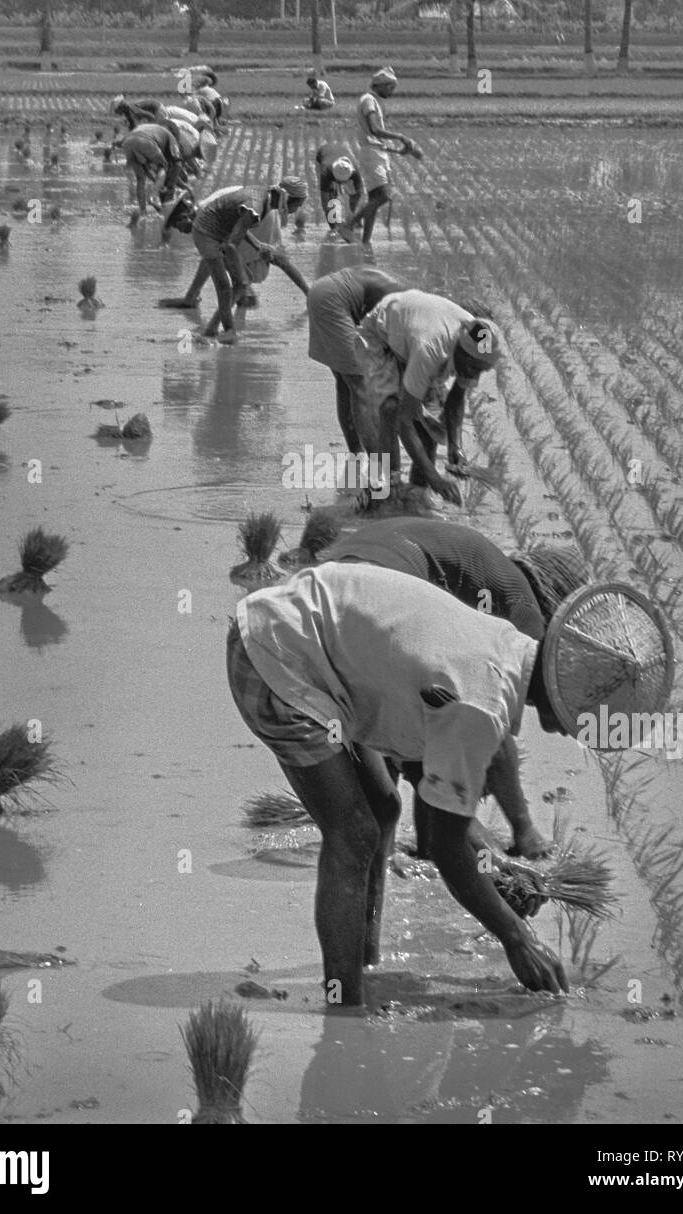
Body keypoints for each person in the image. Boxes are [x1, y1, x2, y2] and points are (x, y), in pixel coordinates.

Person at [227, 560, 571, 1006]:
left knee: (384, 808)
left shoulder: (505, 645)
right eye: (581, 714)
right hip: (276, 653)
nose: (573, 730)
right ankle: (344, 1008)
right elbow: (444, 849)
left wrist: (495, 867)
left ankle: (361, 961)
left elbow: (431, 811)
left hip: (310, 642)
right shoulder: (483, 704)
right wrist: (517, 937)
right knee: (353, 833)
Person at [325, 519, 589, 859]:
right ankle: (439, 847)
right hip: (382, 581)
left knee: (390, 753)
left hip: (343, 574)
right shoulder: (525, 614)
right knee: (437, 733)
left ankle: (400, 855)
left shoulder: (493, 581)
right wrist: (524, 830)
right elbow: (493, 729)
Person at [356, 289, 502, 505]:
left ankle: (417, 493)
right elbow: (405, 421)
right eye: (472, 368)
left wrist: (456, 446)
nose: (474, 376)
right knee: (391, 408)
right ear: (460, 351)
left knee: (429, 427)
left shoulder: (479, 338)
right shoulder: (430, 349)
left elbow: (455, 400)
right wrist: (436, 478)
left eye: (481, 370)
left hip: (415, 334)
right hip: (382, 333)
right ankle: (385, 488)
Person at [162, 177, 310, 342]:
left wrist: (254, 249)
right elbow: (228, 242)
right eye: (298, 205)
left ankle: (216, 330)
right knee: (238, 281)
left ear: (184, 216)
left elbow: (232, 241)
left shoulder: (211, 212)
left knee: (244, 279)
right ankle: (221, 328)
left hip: (246, 223)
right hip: (238, 224)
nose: (180, 230)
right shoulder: (258, 201)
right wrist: (255, 248)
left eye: (177, 225)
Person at [307, 267, 407, 452]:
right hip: (334, 301)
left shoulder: (413, 303)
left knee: (346, 383)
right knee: (360, 385)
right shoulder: (406, 310)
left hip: (325, 291)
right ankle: (378, 463)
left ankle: (357, 452)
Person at [348, 67, 422, 246]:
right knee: (384, 195)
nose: (392, 91)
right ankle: (349, 225)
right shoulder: (369, 101)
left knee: (374, 199)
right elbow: (374, 130)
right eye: (390, 88)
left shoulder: (373, 101)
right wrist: (400, 137)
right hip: (371, 154)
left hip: (376, 152)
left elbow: (373, 137)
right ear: (380, 85)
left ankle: (365, 242)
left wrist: (399, 150)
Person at [121, 122, 184, 215]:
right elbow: (177, 161)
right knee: (163, 166)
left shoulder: (154, 129)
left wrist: (157, 181)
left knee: (140, 178)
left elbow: (146, 169)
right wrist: (170, 183)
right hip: (144, 140)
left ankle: (143, 211)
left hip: (127, 142)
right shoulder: (171, 136)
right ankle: (154, 197)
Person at [315, 143, 363, 234]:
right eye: (338, 181)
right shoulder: (326, 172)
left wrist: (352, 213)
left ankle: (354, 221)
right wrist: (333, 227)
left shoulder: (355, 171)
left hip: (343, 150)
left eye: (343, 181)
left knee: (353, 196)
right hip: (322, 153)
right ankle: (334, 224)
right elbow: (325, 203)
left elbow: (359, 194)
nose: (340, 183)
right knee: (331, 197)